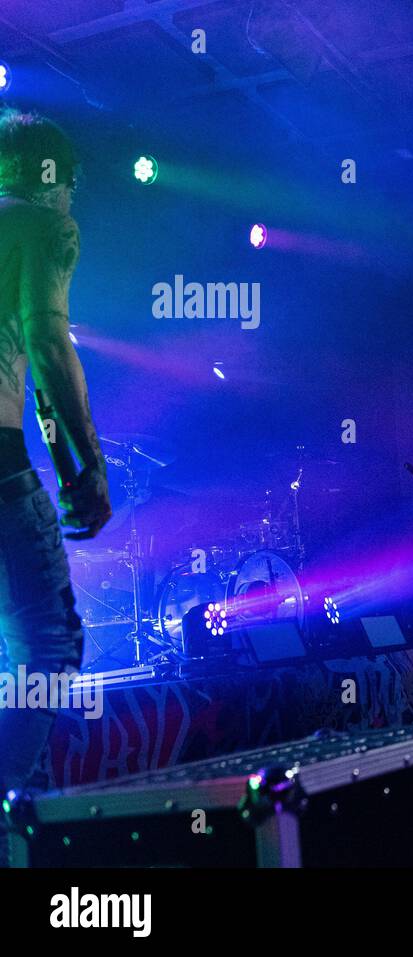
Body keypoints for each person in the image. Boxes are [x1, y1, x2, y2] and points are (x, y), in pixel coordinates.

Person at [0, 109, 111, 796]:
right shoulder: (45, 226)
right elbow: (46, 344)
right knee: (48, 645)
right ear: (56, 179)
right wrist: (89, 465)